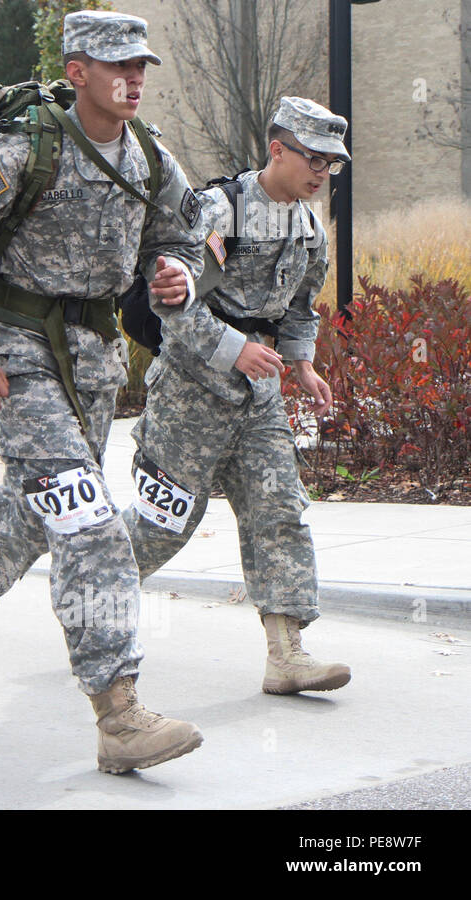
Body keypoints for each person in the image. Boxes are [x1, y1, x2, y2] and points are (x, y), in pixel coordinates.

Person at [0, 10, 208, 774]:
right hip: (19, 350)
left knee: (32, 518)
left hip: (96, 359)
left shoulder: (151, 158)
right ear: (77, 73)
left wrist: (178, 274)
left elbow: (181, 234)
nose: (132, 79)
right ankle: (118, 710)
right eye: (115, 66)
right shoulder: (23, 149)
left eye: (140, 66)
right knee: (89, 519)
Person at [124, 96, 351, 695]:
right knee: (164, 524)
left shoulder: (307, 226)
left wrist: (300, 363)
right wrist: (233, 348)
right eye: (315, 159)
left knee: (278, 510)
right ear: (277, 149)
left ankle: (287, 654)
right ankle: (87, 585)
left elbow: (301, 305)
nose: (323, 174)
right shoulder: (218, 211)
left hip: (260, 394)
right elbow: (169, 302)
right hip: (190, 393)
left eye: (333, 164)